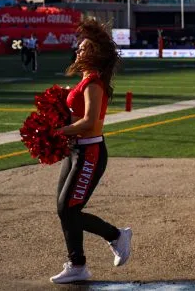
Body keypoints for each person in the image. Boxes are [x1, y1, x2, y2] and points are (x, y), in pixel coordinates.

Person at [50, 17, 133, 284]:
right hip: (76, 151)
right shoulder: (85, 79)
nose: (78, 50)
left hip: (90, 153)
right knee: (65, 208)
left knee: (69, 208)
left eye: (84, 48)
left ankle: (116, 236)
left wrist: (59, 131)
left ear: (95, 54)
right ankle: (77, 265)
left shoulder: (94, 83)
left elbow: (89, 122)